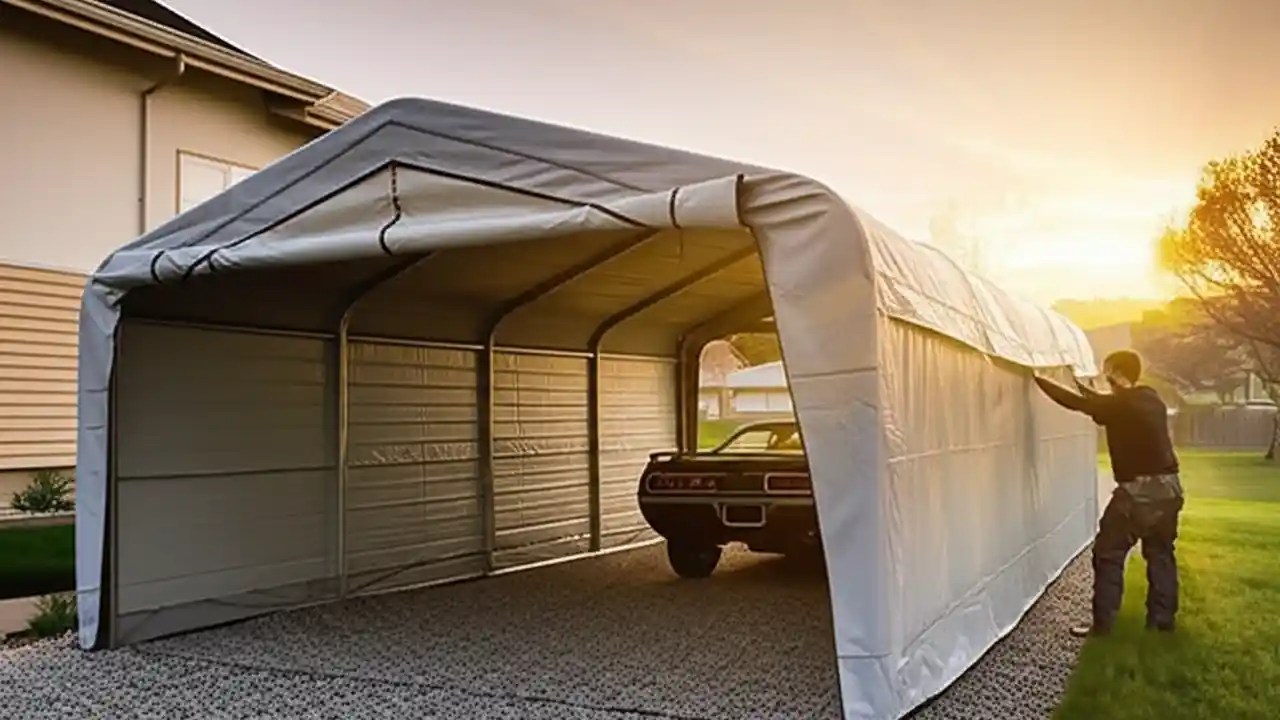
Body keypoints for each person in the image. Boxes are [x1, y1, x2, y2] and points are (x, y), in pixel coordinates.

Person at [1034, 350, 1184, 637]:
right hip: (1171, 489)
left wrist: (1038, 378)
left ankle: (1103, 625)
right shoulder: (1151, 399)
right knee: (1161, 552)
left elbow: (1079, 403)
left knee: (1108, 553)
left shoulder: (1122, 403)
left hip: (1139, 493)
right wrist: (1073, 378)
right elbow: (1098, 401)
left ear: (1116, 372)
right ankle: (1162, 622)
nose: (1104, 379)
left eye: (1107, 373)